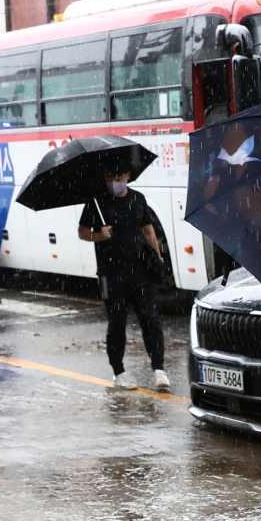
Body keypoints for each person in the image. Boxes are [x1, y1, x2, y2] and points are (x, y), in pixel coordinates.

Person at [77, 158, 170, 390]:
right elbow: (82, 232)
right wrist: (100, 235)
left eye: (119, 178)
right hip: (111, 273)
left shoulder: (138, 199)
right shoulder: (96, 202)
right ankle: (119, 371)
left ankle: (158, 369)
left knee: (150, 319)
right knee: (117, 323)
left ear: (128, 176)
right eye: (110, 179)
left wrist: (158, 257)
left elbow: (148, 229)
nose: (115, 183)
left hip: (140, 270)